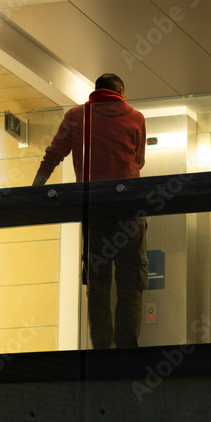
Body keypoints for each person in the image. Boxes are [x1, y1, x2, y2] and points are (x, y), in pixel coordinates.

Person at [32, 73, 148, 349]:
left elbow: (53, 154)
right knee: (130, 282)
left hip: (94, 212)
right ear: (121, 91)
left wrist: (35, 188)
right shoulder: (136, 118)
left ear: (96, 91)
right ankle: (127, 351)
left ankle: (101, 350)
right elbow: (139, 160)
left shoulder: (76, 116)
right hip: (129, 211)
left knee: (98, 284)